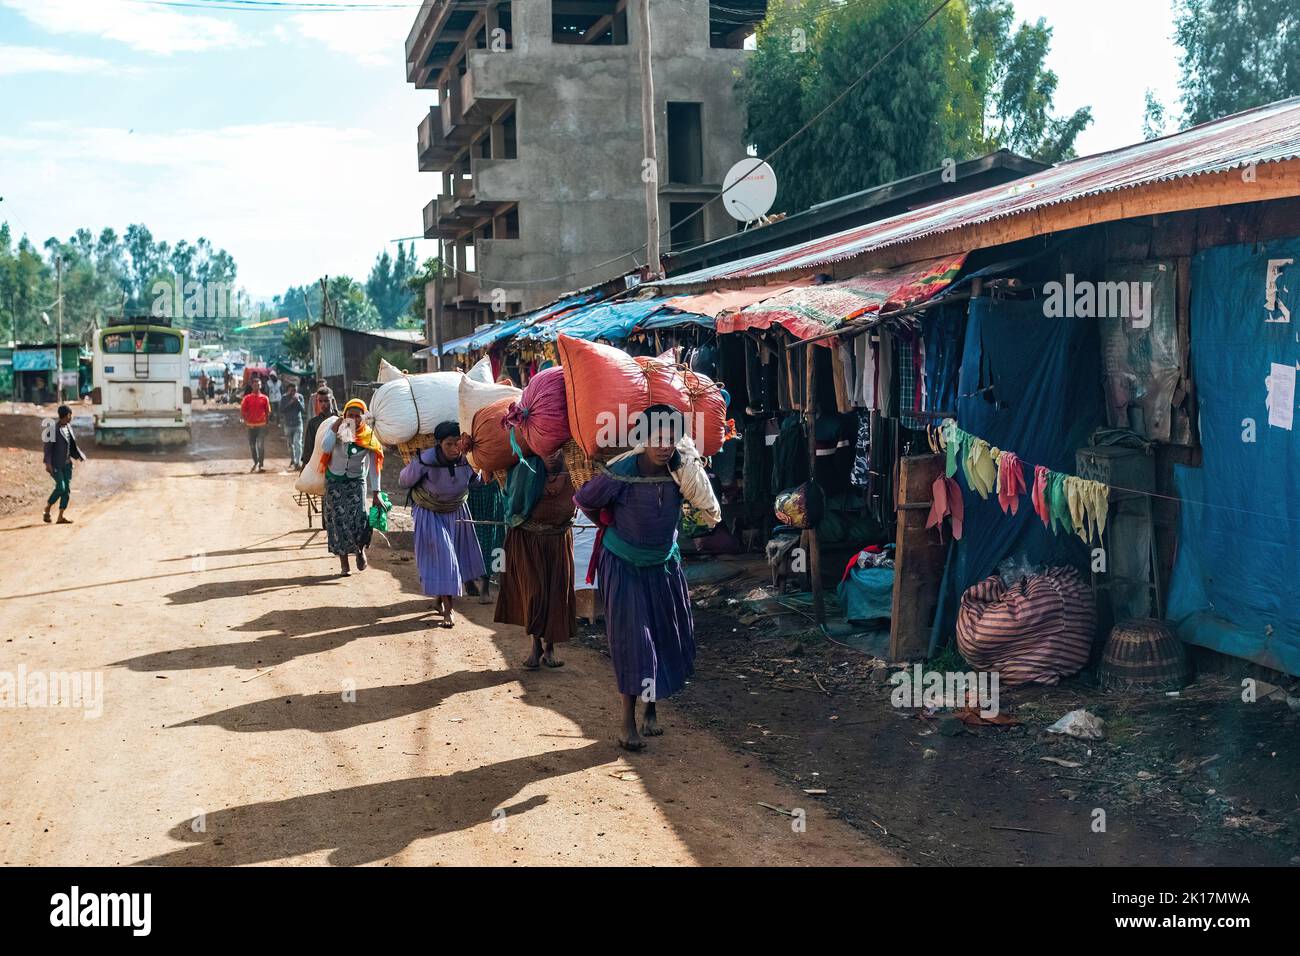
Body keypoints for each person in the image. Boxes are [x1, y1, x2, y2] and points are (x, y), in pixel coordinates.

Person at [573, 405, 695, 752]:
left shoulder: (682, 470)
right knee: (633, 640)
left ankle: (651, 709)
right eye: (657, 437)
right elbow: (585, 500)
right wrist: (612, 527)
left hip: (663, 565)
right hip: (624, 565)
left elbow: (700, 498)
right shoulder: (621, 472)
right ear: (642, 439)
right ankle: (627, 720)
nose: (664, 446)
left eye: (671, 438)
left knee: (661, 635)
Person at [397, 421, 487, 628]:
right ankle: (449, 611)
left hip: (456, 512)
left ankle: (440, 597)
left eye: (458, 443)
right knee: (446, 558)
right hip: (430, 514)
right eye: (449, 444)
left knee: (453, 558)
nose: (455, 448)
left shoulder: (467, 458)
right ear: (439, 444)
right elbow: (404, 481)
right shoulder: (424, 460)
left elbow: (475, 480)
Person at [495, 450, 575, 669]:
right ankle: (534, 644)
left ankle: (549, 649)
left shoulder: (576, 472)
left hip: (558, 540)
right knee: (534, 593)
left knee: (555, 594)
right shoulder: (525, 470)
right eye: (546, 451)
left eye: (557, 451)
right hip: (527, 539)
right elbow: (511, 499)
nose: (551, 456)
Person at [318, 398, 383, 576]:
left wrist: (376, 492)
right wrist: (335, 428)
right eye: (350, 415)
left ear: (363, 418)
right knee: (338, 522)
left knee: (359, 519)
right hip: (335, 480)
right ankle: (344, 563)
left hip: (356, 481)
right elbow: (326, 447)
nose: (353, 419)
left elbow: (374, 467)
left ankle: (360, 550)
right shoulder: (342, 430)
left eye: (357, 416)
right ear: (344, 415)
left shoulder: (368, 435)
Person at [43, 405, 87, 525]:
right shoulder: (52, 430)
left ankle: (60, 516)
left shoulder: (68, 427)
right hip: (56, 465)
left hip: (67, 465)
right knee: (60, 487)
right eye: (70, 415)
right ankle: (47, 508)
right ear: (66, 415)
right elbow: (47, 449)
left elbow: (72, 445)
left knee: (66, 490)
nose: (71, 417)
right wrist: (48, 464)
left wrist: (79, 455)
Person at [302, 385, 337, 472]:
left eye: (326, 401)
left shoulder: (340, 420)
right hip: (320, 464)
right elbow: (308, 447)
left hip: (338, 465)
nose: (323, 404)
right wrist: (304, 468)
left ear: (332, 400)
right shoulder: (313, 423)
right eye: (320, 401)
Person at [240, 377, 271, 473]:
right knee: (252, 446)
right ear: (252, 386)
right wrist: (245, 421)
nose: (257, 386)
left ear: (261, 386)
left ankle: (261, 464)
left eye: (259, 385)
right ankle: (256, 462)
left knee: (260, 445)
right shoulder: (247, 398)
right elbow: (243, 411)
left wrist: (267, 424)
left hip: (261, 425)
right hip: (251, 426)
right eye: (255, 385)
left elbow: (268, 412)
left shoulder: (265, 398)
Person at [281, 382, 306, 471]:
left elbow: (303, 410)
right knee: (290, 445)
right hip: (288, 424)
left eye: (295, 390)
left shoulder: (300, 397)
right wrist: (291, 402)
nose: (294, 392)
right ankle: (293, 460)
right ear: (288, 390)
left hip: (298, 423)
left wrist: (298, 401)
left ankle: (297, 462)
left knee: (297, 443)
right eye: (292, 390)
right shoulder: (284, 398)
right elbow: (282, 410)